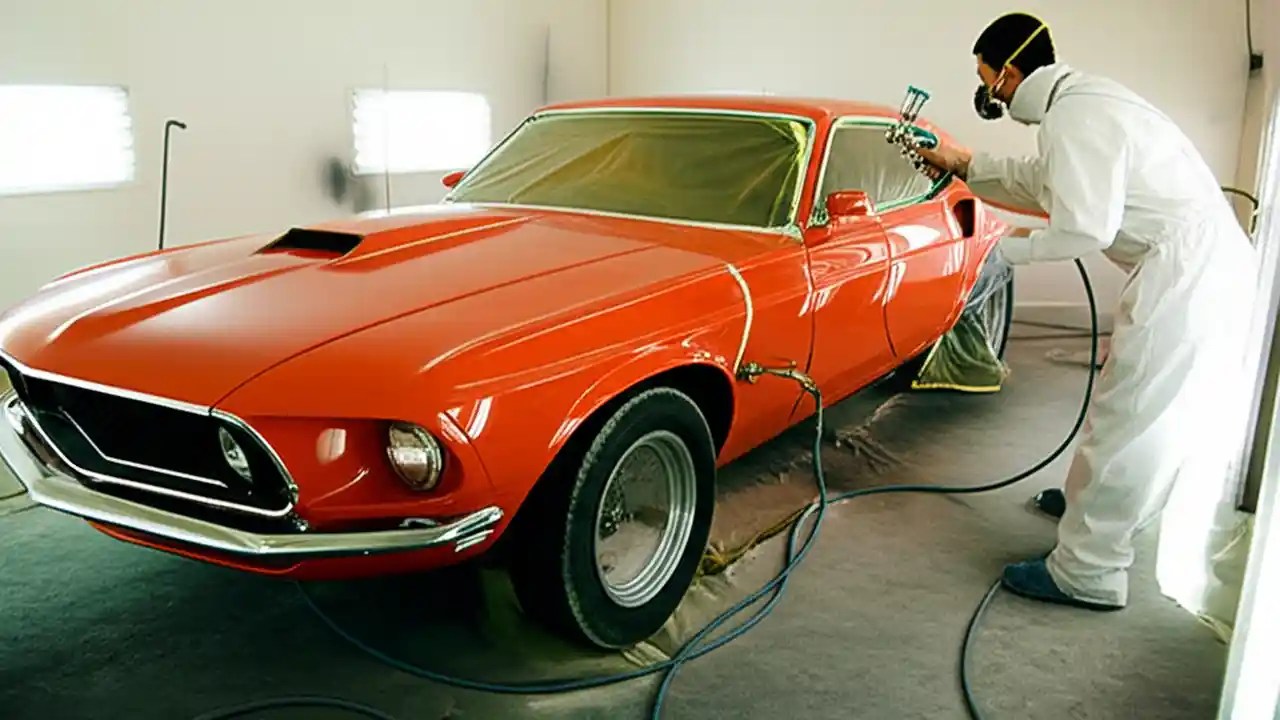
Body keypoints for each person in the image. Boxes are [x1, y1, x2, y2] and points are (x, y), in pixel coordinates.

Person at [916, 12, 1259, 612]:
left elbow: (1084, 228)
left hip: (1188, 272)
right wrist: (962, 164)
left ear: (1010, 73)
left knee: (1132, 415)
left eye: (987, 79)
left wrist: (1001, 252)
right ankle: (1092, 510)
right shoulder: (1083, 101)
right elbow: (1045, 181)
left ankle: (1089, 570)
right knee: (1135, 408)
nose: (989, 93)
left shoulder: (1074, 116)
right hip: (1196, 263)